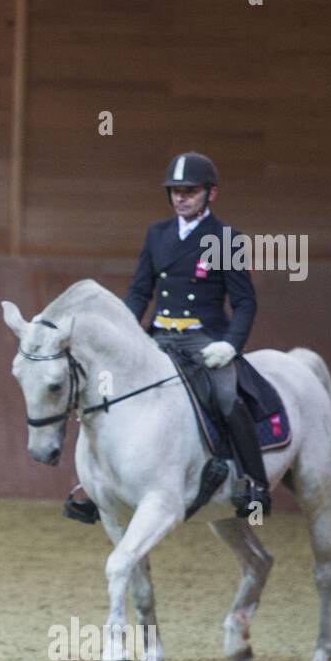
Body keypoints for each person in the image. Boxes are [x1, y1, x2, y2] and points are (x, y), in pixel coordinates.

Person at [124, 151, 270, 516]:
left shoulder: (226, 238)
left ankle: (255, 484)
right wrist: (127, 330)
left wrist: (231, 345)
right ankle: (98, 482)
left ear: (211, 194)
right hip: (160, 334)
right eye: (175, 191)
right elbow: (141, 291)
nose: (181, 197)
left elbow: (245, 303)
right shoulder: (156, 234)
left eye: (190, 191)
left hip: (203, 338)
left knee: (227, 397)